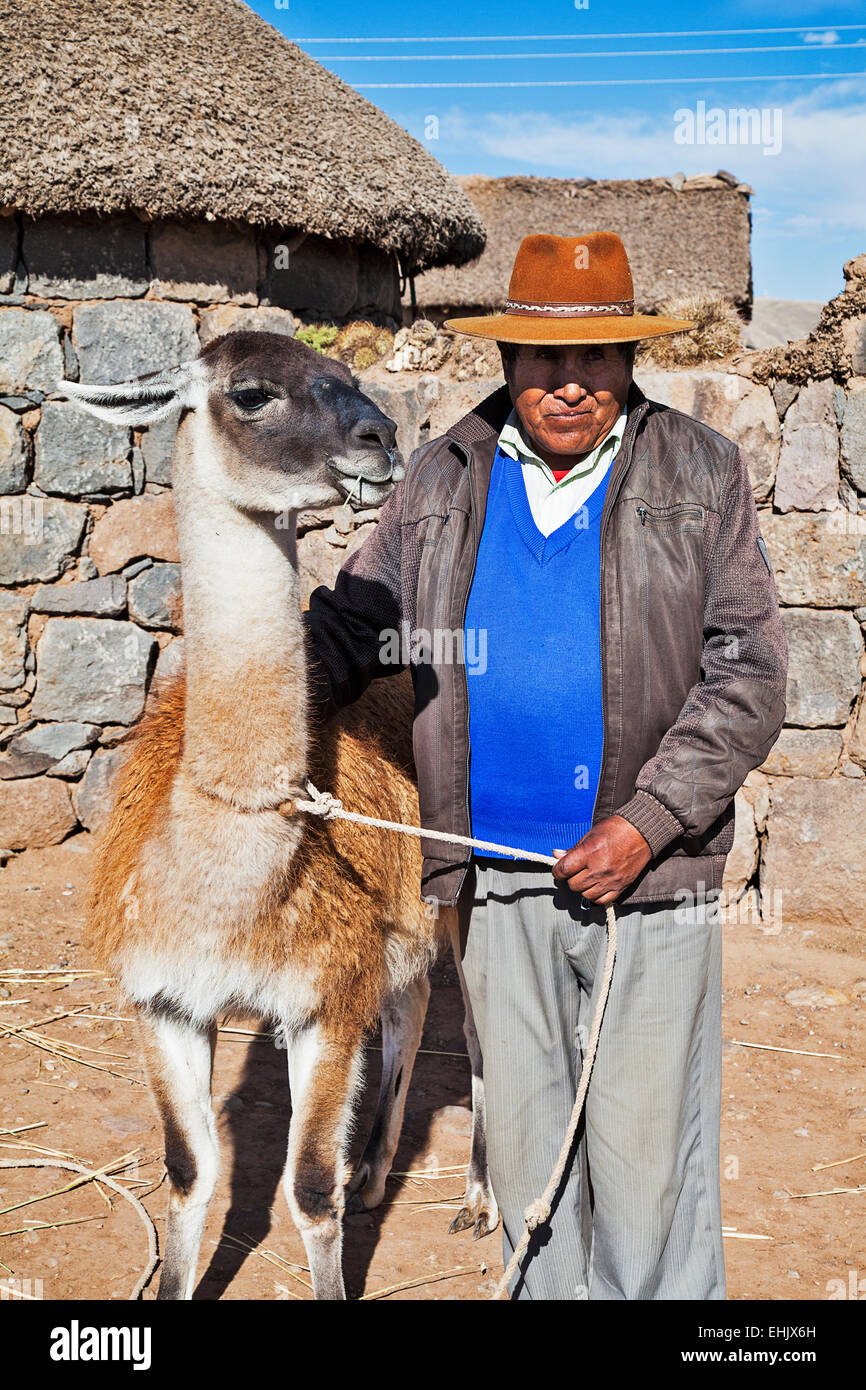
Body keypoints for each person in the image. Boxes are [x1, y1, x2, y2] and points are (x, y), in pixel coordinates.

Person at [303, 231, 787, 1299]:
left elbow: (748, 673)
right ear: (507, 359)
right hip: (488, 878)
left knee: (647, 1161)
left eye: (597, 360)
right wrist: (263, 691)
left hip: (648, 887)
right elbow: (354, 628)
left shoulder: (697, 472)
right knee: (528, 1153)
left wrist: (649, 819)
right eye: (541, 359)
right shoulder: (441, 476)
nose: (570, 384)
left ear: (627, 360)